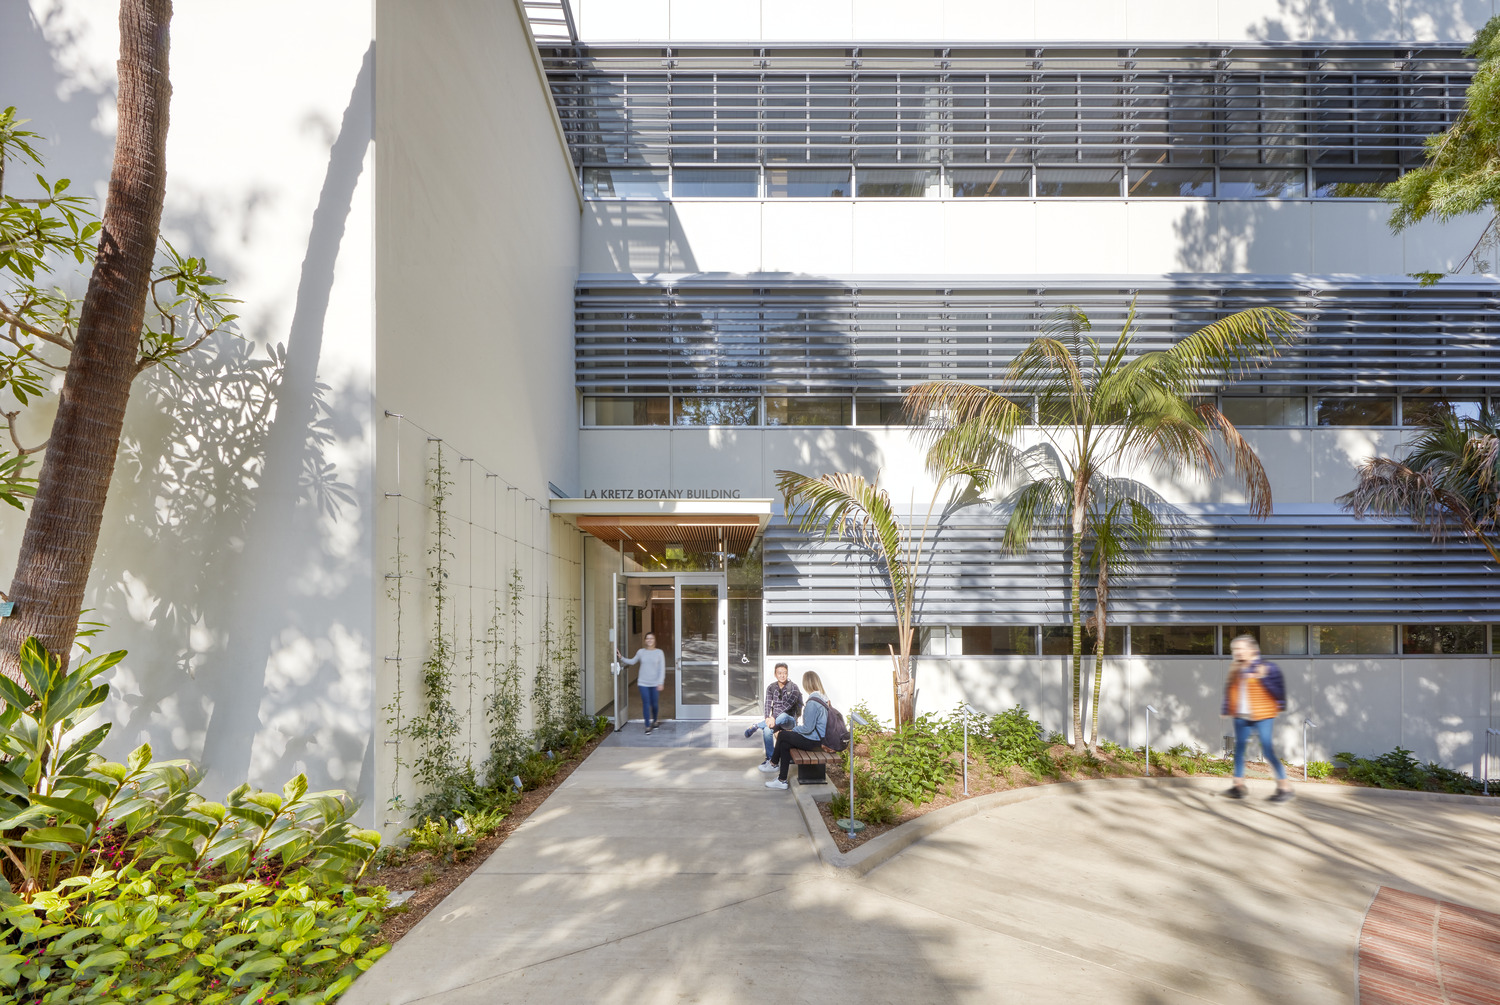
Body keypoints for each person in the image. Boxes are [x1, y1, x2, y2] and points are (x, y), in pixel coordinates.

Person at [1222, 634, 1293, 802]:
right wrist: (1226, 708)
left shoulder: (1267, 667)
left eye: (1240, 649)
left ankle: (1285, 787)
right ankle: (1238, 786)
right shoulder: (1236, 668)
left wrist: (1262, 678)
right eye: (1235, 649)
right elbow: (1230, 690)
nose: (1237, 652)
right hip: (1241, 716)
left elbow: (1279, 692)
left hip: (1262, 715)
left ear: (1252, 650)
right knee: (1239, 751)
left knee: (1267, 750)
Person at [765, 671, 830, 790]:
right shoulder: (823, 698)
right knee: (784, 743)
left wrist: (793, 730)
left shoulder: (813, 702)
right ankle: (782, 780)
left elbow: (807, 728)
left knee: (783, 735)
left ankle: (773, 763)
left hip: (815, 742)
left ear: (807, 684)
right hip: (819, 739)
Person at [745, 662, 802, 772]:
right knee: (767, 730)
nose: (782, 675)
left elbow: (787, 706)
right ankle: (771, 760)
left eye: (785, 673)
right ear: (775, 674)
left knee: (784, 715)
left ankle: (756, 726)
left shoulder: (794, 688)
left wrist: (773, 717)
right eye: (779, 673)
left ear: (787, 674)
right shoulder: (771, 687)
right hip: (774, 721)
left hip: (789, 720)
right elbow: (767, 704)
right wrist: (767, 717)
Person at [618, 632, 665, 734]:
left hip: (655, 683)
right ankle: (647, 726)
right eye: (647, 638)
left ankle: (655, 720)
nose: (649, 640)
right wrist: (621, 658)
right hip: (643, 683)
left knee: (655, 704)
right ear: (644, 641)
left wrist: (660, 682)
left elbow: (662, 669)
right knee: (646, 703)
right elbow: (632, 661)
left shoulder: (659, 653)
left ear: (655, 640)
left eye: (651, 638)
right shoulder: (641, 652)